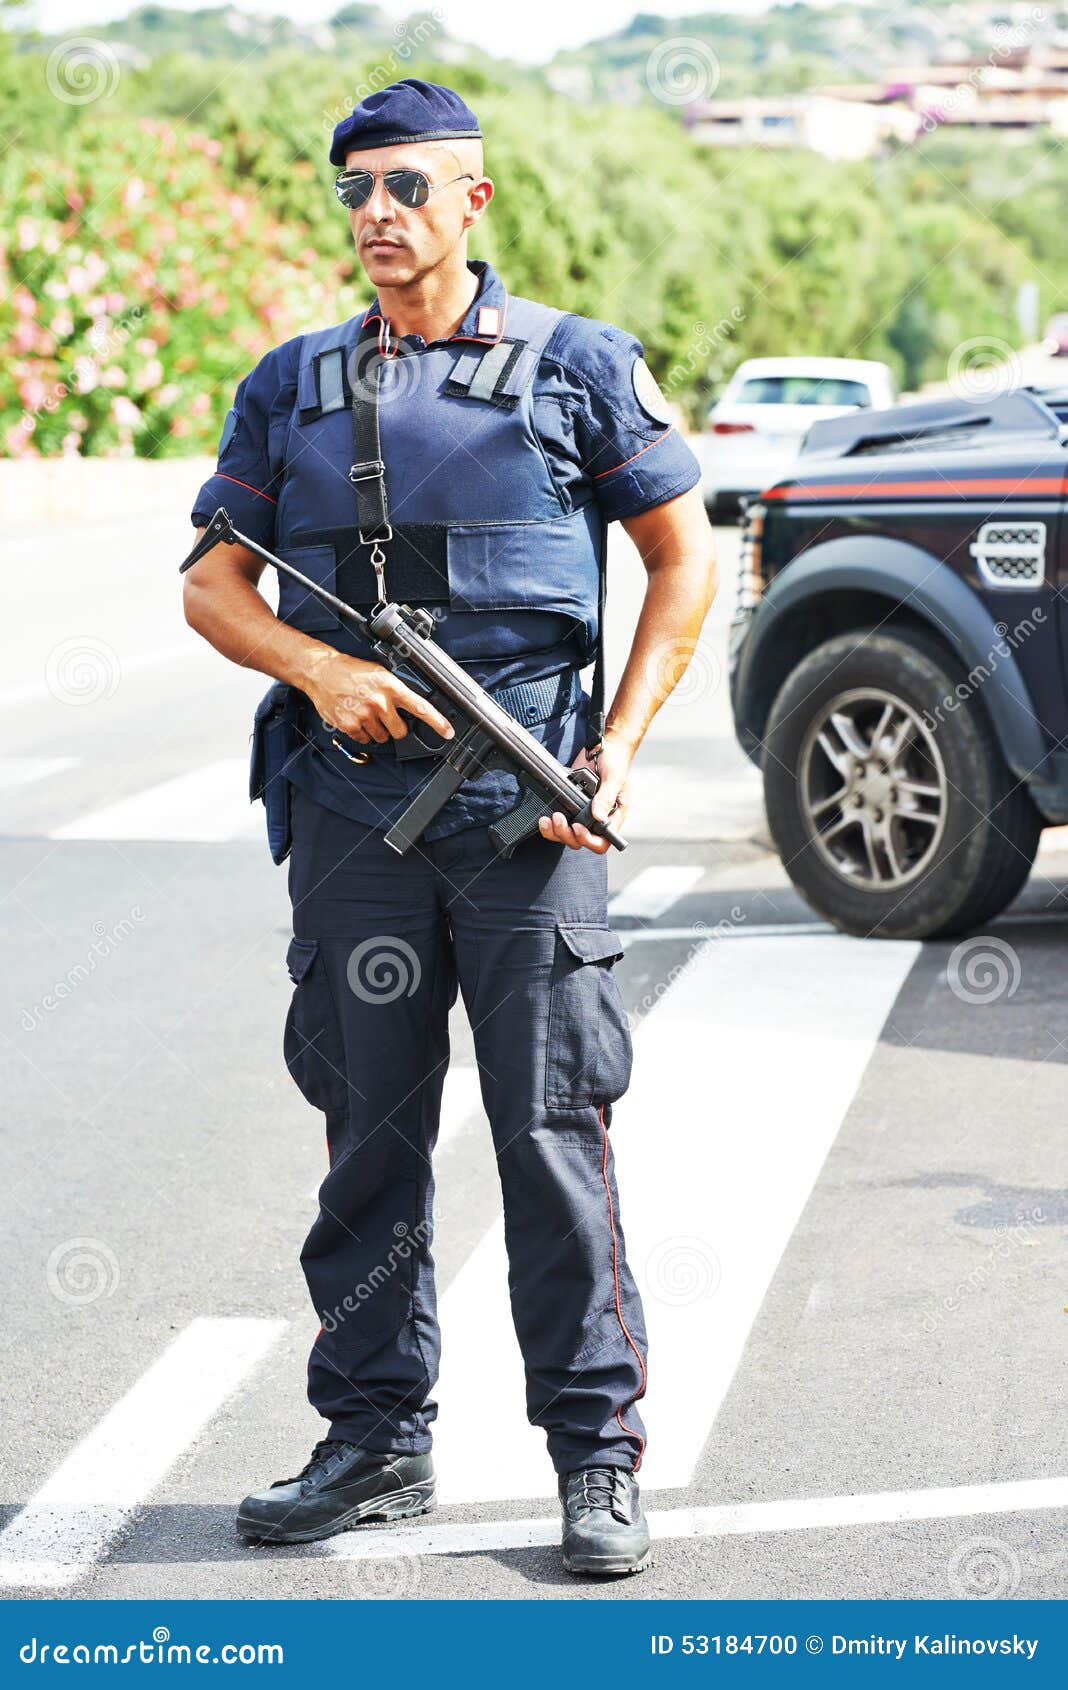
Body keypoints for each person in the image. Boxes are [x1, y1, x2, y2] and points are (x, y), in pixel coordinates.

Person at [183, 77, 718, 1578]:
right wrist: (321, 665)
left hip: (528, 824)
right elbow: (214, 584)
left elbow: (684, 564)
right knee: (369, 1140)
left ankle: (596, 1455)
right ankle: (372, 1438)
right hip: (353, 822)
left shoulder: (577, 370)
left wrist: (616, 747)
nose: (377, 217)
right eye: (355, 192)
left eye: (408, 188)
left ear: (474, 200)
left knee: (552, 1134)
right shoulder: (291, 385)